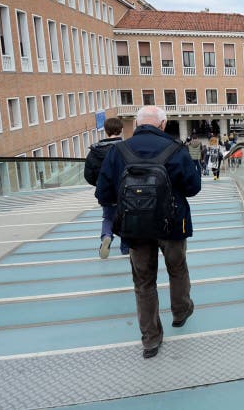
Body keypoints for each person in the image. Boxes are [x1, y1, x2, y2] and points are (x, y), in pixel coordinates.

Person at [95, 106, 201, 359]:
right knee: (177, 269)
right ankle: (180, 312)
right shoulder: (175, 149)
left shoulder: (118, 151)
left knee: (143, 282)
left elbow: (103, 193)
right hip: (172, 225)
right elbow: (192, 187)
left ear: (137, 124)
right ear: (162, 125)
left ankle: (151, 340)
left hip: (135, 228)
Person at [84, 118, 128, 258]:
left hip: (105, 191)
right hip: (125, 190)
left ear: (106, 131)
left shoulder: (94, 151)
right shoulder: (126, 148)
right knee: (126, 218)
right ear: (121, 130)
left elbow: (88, 174)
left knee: (108, 218)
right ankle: (125, 247)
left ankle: (106, 236)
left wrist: (99, 184)